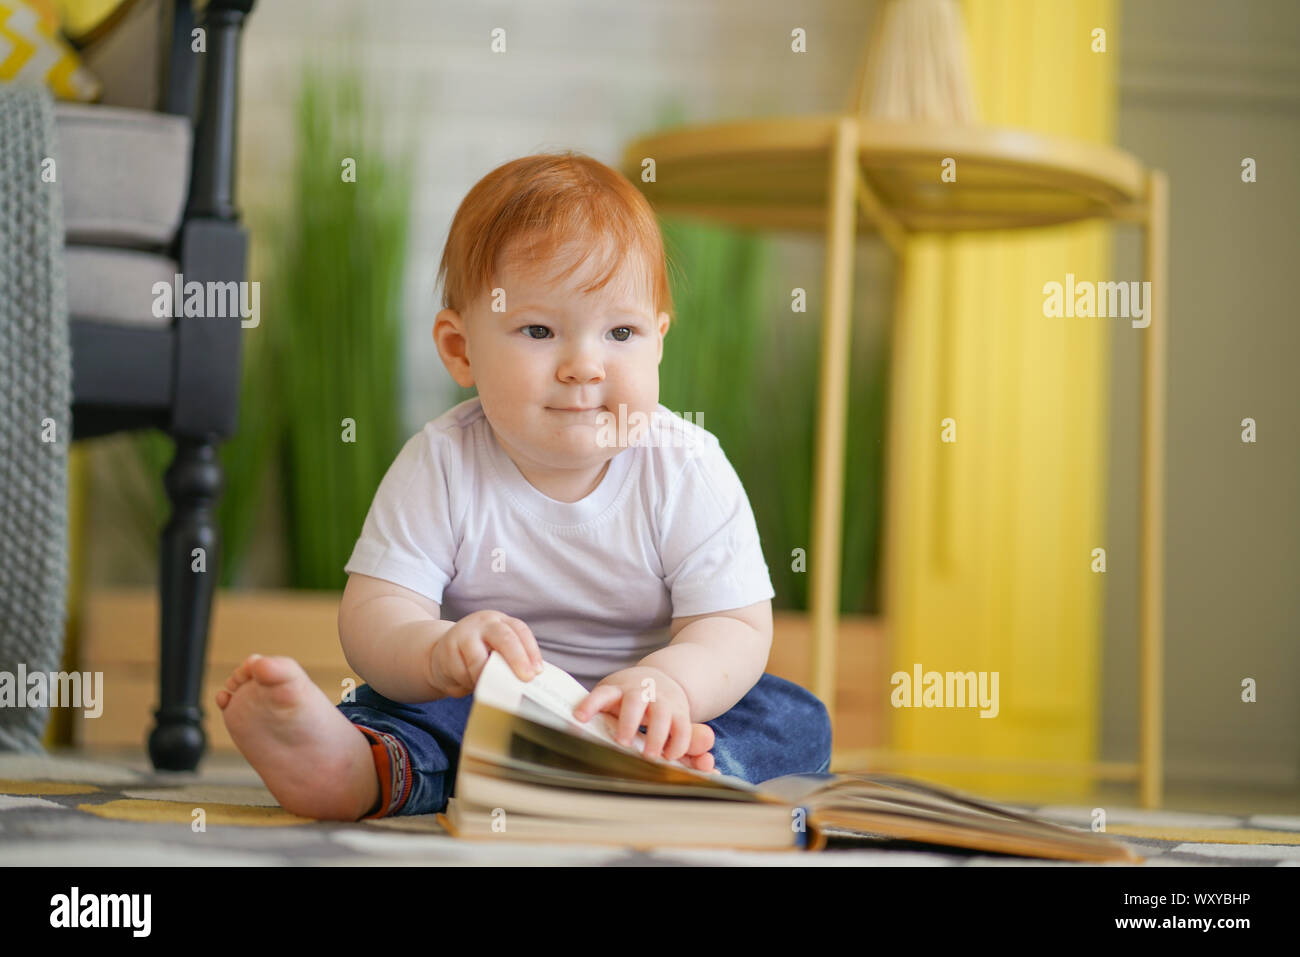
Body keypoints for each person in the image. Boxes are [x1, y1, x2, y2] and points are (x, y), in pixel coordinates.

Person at [216, 152, 832, 821]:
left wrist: (671, 683)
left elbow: (734, 624)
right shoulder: (442, 463)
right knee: (408, 707)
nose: (583, 366)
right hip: (488, 706)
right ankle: (354, 767)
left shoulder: (685, 467)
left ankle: (673, 770)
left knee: (794, 719)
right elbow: (372, 614)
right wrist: (434, 652)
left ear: (658, 341)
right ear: (460, 349)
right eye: (538, 330)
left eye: (620, 331)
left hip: (647, 719)